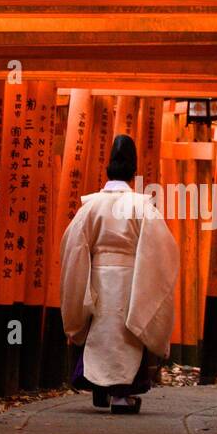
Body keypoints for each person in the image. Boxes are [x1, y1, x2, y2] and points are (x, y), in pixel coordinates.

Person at [59, 134, 179, 413]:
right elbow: (162, 250)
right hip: (131, 279)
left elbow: (73, 246)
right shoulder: (141, 206)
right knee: (128, 329)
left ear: (107, 168)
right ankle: (122, 396)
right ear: (133, 171)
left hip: (97, 277)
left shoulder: (91, 206)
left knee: (97, 329)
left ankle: (99, 389)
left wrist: (82, 281)